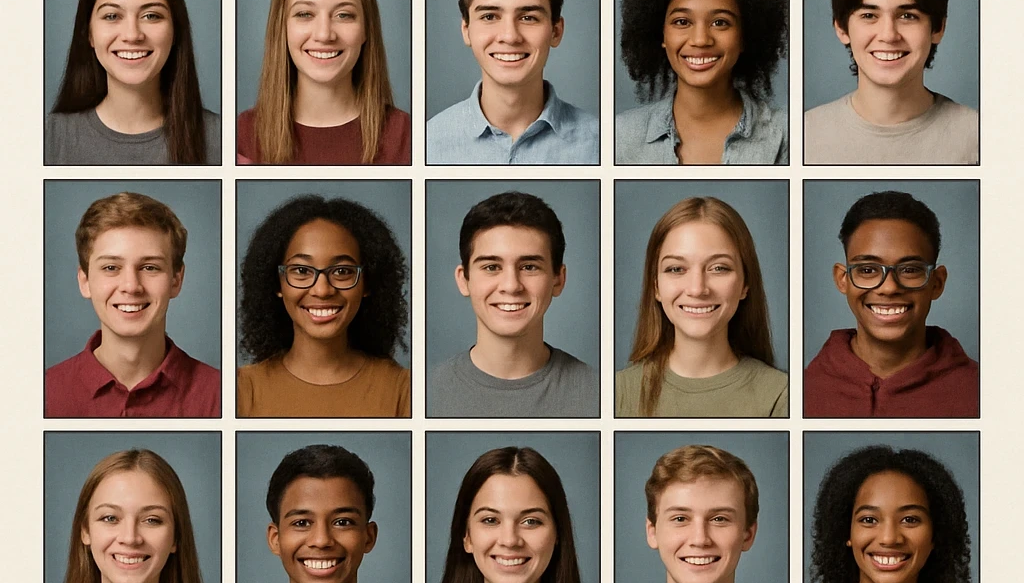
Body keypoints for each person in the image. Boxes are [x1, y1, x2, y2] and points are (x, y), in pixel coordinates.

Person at [45, 191, 220, 418]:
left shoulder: (222, 393)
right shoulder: (44, 393)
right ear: (85, 281)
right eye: (111, 268)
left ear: (176, 280)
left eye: (150, 267)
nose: (131, 286)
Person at [804, 191, 978, 417]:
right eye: (867, 270)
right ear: (842, 279)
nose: (889, 288)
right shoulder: (799, 392)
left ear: (937, 283)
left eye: (910, 270)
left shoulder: (983, 393)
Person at [236, 444, 411, 583]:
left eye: (343, 522)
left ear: (368, 537)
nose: (321, 540)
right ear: (275, 539)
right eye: (301, 523)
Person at [804, 0, 978, 165]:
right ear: (841, 28)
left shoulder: (978, 138)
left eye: (907, 16)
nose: (888, 35)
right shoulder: (804, 135)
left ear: (938, 28)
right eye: (869, 15)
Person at [805, 444, 978, 583]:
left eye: (910, 519)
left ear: (936, 535)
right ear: (845, 532)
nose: (889, 538)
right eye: (869, 519)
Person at [615, 445, 788, 583]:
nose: (700, 539)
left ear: (748, 535)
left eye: (719, 519)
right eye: (680, 519)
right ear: (652, 532)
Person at [237, 193, 409, 418]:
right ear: (276, 283)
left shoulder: (403, 390)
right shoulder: (241, 389)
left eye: (342, 271)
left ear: (368, 283)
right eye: (301, 271)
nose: (322, 290)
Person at [45, 448, 220, 583]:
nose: (130, 538)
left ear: (175, 537)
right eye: (110, 518)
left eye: (152, 520)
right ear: (85, 531)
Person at [426, 445, 599, 583]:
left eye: (531, 521)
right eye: (490, 520)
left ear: (558, 534)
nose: (510, 540)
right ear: (467, 537)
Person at [426, 0, 599, 165]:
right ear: (466, 30)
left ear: (556, 31)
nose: (510, 36)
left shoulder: (601, 144)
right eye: (490, 16)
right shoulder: (426, 143)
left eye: (528, 17)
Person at [430, 190, 598, 417]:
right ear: (464, 280)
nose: (511, 286)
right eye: (491, 267)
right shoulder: (423, 393)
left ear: (558, 279)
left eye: (529, 267)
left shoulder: (601, 393)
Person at [615, 195, 787, 417]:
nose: (697, 289)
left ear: (745, 284)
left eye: (719, 268)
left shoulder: (783, 395)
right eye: (676, 269)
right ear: (656, 287)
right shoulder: (615, 393)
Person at [615, 0, 788, 166]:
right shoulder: (619, 137)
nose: (700, 39)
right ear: (661, 34)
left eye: (720, 22)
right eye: (682, 22)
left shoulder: (788, 135)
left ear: (745, 36)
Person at [236, 0, 410, 165]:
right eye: (305, 14)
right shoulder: (241, 136)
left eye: (344, 15)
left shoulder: (408, 137)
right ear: (282, 28)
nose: (324, 34)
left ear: (366, 29)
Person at [45, 0, 219, 165]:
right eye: (112, 16)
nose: (132, 35)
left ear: (175, 32)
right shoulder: (46, 139)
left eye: (151, 16)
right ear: (89, 33)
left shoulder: (222, 139)